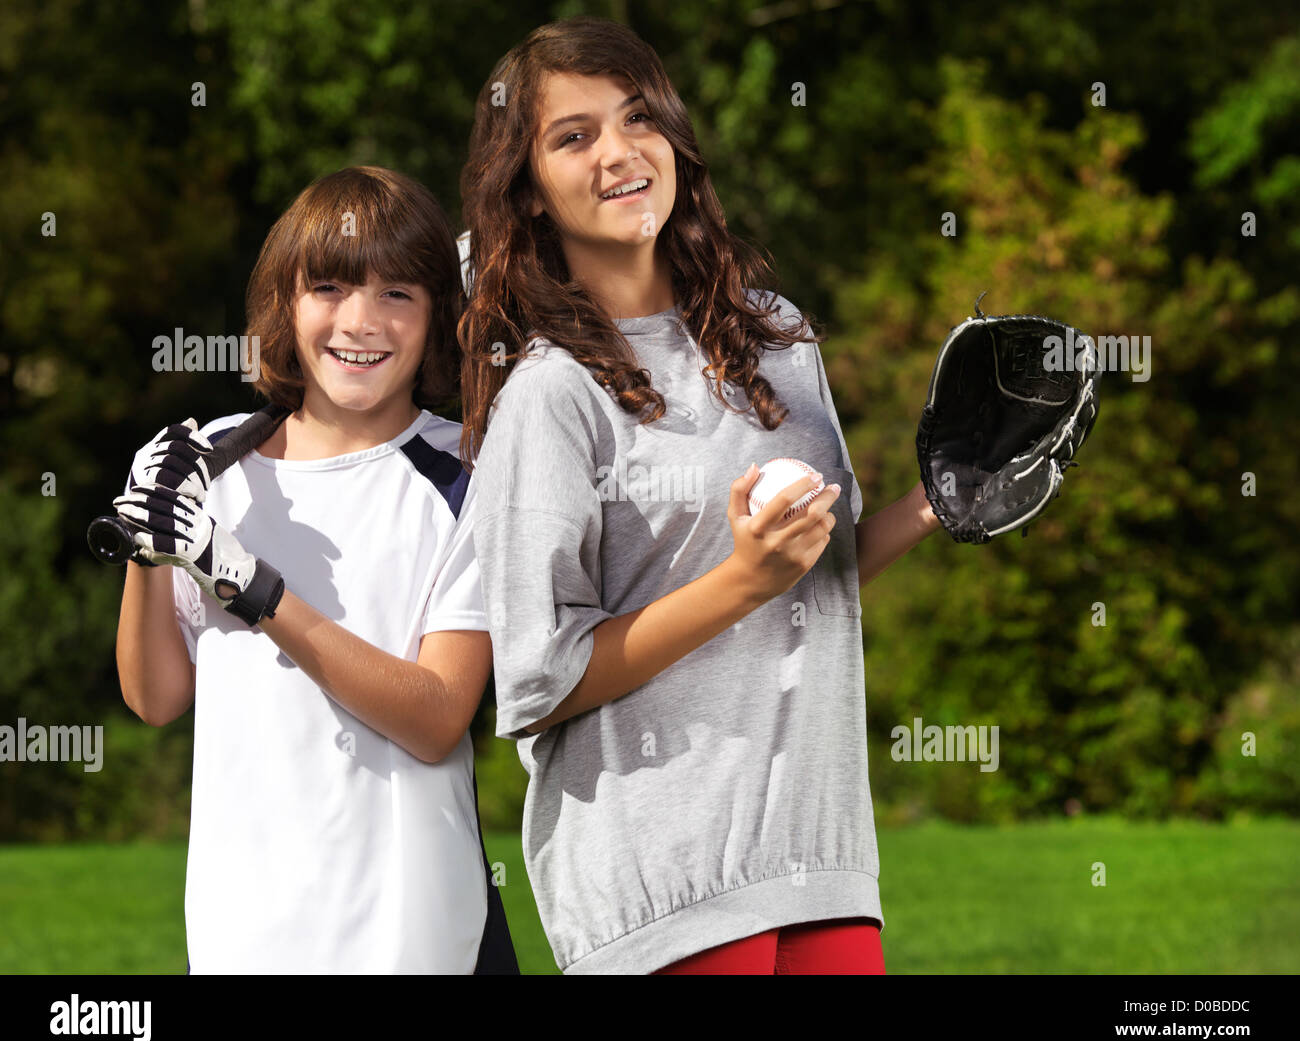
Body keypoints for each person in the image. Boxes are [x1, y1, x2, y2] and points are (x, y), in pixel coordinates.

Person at [457, 17, 940, 975]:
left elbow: (820, 579)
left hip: (823, 859)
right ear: (530, 193)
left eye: (637, 117)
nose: (619, 152)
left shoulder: (779, 340)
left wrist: (938, 502)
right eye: (574, 135)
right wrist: (744, 583)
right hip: (662, 876)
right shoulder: (550, 394)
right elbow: (536, 681)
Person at [113, 166, 517, 974]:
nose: (360, 322)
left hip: (411, 940)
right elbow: (155, 697)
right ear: (284, 305)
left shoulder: (470, 474)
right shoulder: (217, 463)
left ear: (438, 315)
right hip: (240, 934)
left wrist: (253, 589)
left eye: (398, 293)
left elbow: (437, 717)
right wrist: (149, 550)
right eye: (328, 287)